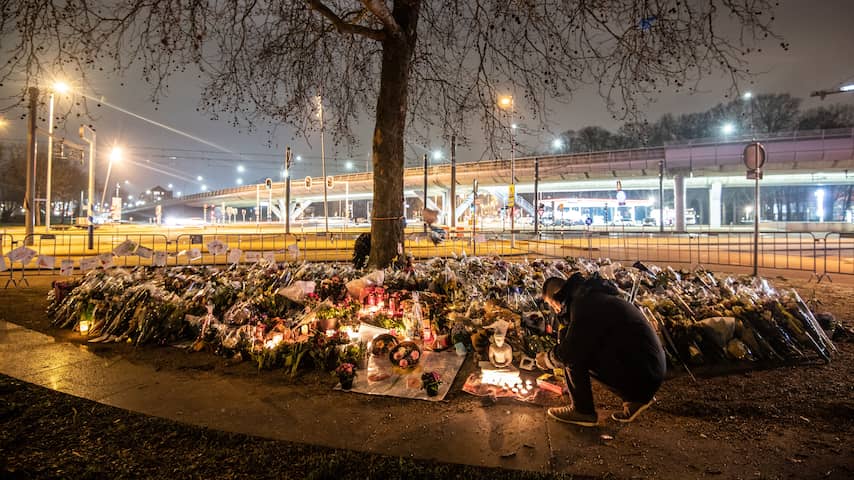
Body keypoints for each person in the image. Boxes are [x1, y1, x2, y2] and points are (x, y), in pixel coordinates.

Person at [536, 273, 666, 427]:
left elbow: (570, 350)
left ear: (558, 296)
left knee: (573, 354)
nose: (555, 310)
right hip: (651, 369)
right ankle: (635, 399)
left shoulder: (583, 304)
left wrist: (547, 359)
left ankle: (582, 411)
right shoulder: (592, 296)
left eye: (552, 304)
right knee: (576, 346)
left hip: (643, 371)